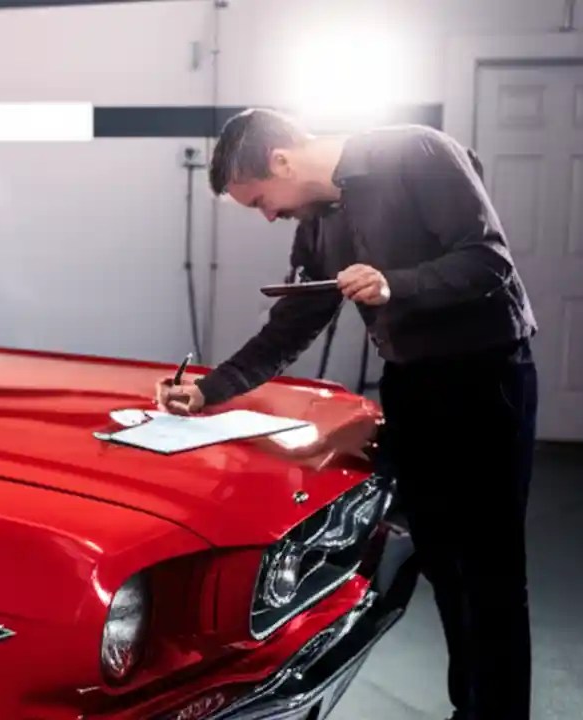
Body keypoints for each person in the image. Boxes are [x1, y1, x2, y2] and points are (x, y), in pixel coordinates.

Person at [154, 109, 538, 720]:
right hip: (411, 386)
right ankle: (472, 709)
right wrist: (210, 390)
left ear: (281, 161)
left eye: (262, 202)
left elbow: (490, 263)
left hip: (485, 380)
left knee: (490, 572)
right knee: (442, 561)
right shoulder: (318, 224)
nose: (270, 215)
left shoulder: (417, 152)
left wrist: (395, 285)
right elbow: (291, 327)